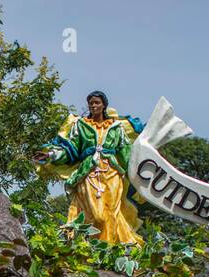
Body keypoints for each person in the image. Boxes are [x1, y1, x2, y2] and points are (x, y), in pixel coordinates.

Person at [32, 91, 145, 244]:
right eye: (91, 103)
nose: (93, 105)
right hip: (88, 173)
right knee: (96, 214)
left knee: (110, 213)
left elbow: (125, 154)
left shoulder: (116, 127)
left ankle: (108, 249)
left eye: (97, 102)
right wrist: (50, 155)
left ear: (104, 105)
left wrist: (138, 173)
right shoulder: (81, 126)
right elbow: (70, 149)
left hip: (112, 174)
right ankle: (87, 245)